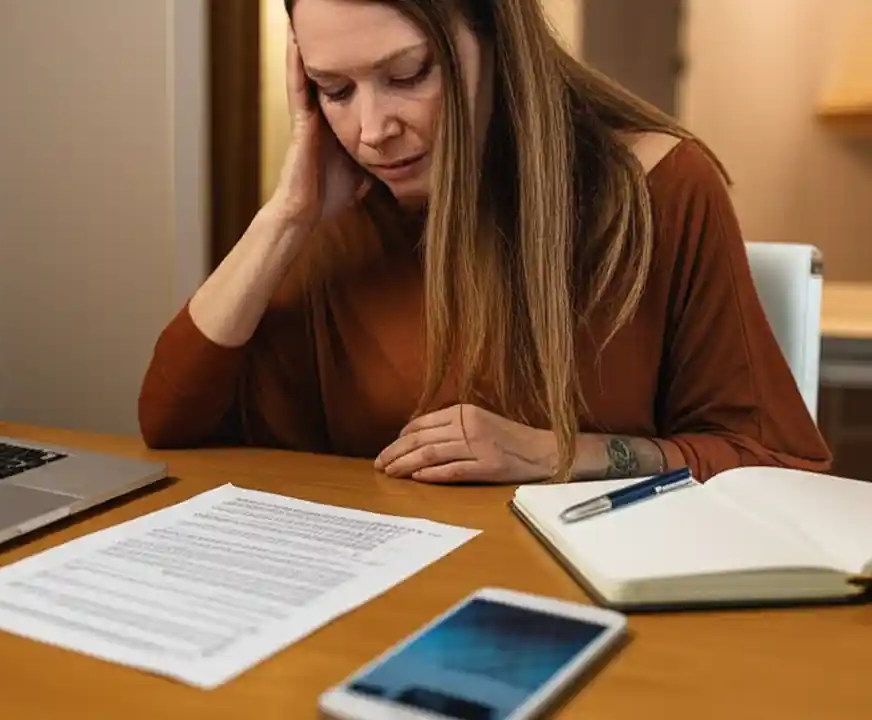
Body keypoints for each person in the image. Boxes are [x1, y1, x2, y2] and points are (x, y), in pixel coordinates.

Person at [138, 0, 832, 484]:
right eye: (334, 89)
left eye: (407, 75)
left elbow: (768, 458)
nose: (372, 130)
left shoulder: (658, 189)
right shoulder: (339, 216)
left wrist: (558, 454)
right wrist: (286, 216)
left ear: (498, 42)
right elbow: (168, 420)